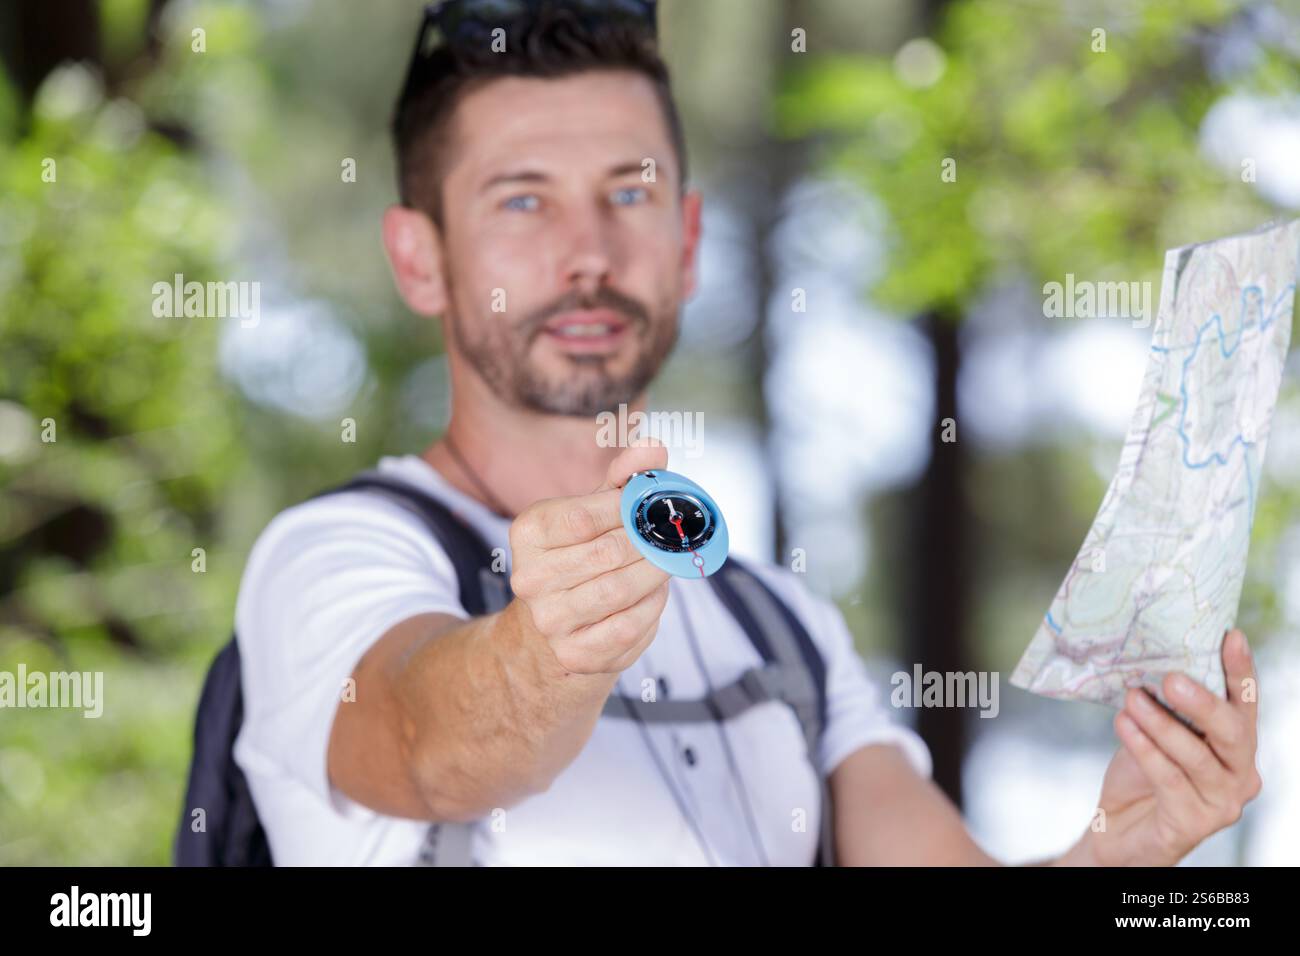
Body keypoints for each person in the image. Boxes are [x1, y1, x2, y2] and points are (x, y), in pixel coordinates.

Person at [231, 0, 1262, 866]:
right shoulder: (331, 556)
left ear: (685, 242)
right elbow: (428, 742)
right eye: (522, 199)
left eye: (627, 193)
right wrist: (539, 657)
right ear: (419, 259)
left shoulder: (784, 623)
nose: (586, 252)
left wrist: (1114, 850)